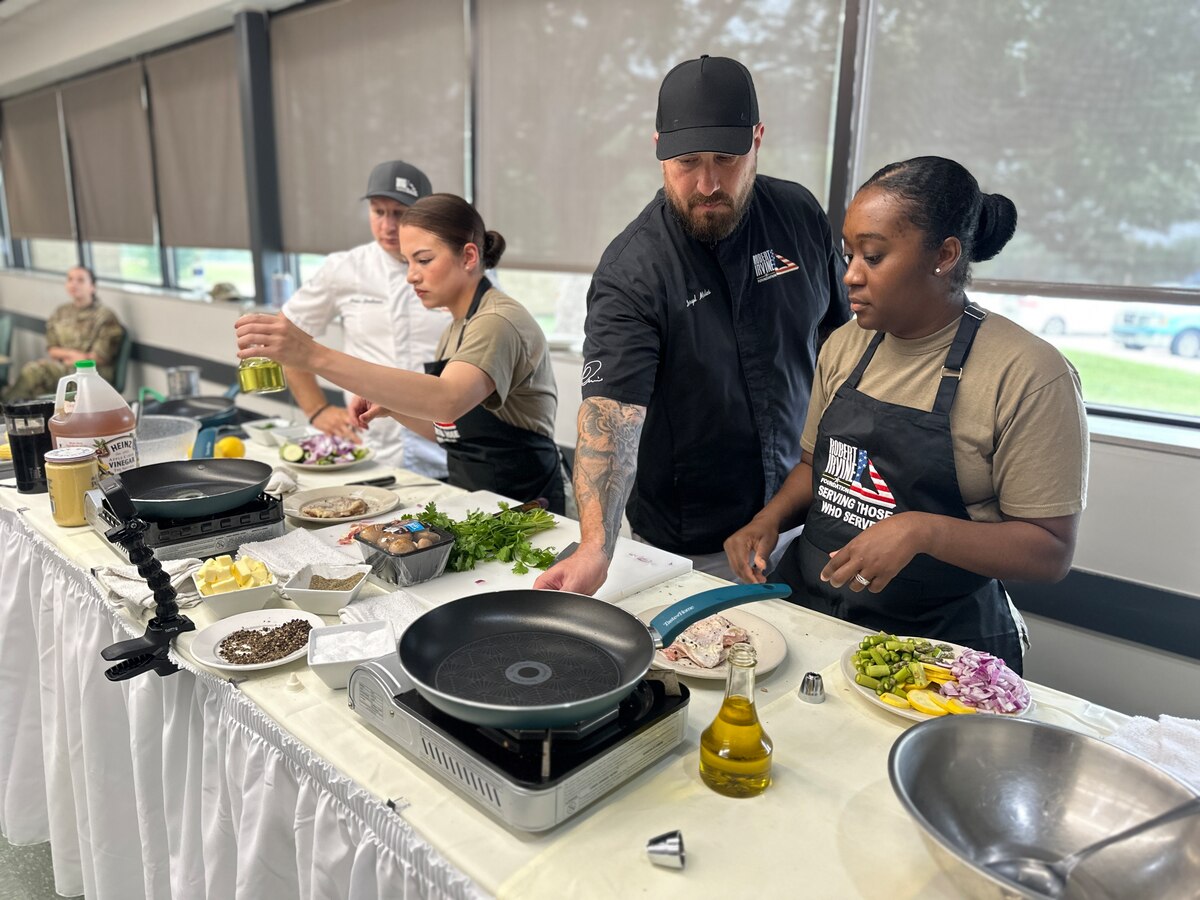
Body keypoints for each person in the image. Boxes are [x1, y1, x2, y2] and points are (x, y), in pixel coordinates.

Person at [724, 156, 1090, 673]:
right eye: (848, 253)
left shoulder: (1027, 373)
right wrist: (767, 520)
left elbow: (1050, 551)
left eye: (873, 256)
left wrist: (922, 531)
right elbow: (816, 467)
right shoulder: (844, 346)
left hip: (935, 650)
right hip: (815, 617)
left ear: (944, 255)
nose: (849, 275)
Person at [534, 55, 849, 594]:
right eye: (686, 161)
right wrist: (595, 547)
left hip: (803, 514)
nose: (707, 183)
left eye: (726, 158)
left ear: (757, 139)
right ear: (658, 153)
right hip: (693, 546)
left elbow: (841, 348)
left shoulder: (799, 216)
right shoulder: (633, 269)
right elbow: (611, 414)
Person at [235, 194, 565, 512]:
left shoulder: (495, 322)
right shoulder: (455, 328)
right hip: (482, 499)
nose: (411, 276)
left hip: (528, 502)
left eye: (423, 260)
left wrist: (313, 355)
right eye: (408, 262)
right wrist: (393, 408)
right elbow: (451, 428)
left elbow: (446, 400)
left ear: (468, 257)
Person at [279, 159, 450, 478]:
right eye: (378, 211)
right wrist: (317, 410)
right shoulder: (345, 268)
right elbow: (287, 336)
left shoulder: (454, 269)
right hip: (371, 453)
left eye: (399, 213)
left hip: (448, 452)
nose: (387, 226)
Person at [3, 265, 125, 401]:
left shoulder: (105, 316)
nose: (74, 284)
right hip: (65, 367)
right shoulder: (61, 312)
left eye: (80, 280)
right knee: (35, 386)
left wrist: (72, 359)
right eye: (70, 279)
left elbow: (100, 356)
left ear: (92, 287)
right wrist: (72, 355)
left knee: (33, 372)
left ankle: (4, 410)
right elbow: (52, 349)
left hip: (93, 373)